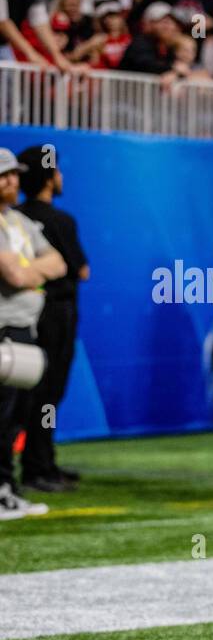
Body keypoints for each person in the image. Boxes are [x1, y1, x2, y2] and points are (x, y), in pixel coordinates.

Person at [17, 144, 87, 493]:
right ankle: (38, 465)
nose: (60, 177)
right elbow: (81, 269)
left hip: (26, 313)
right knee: (49, 392)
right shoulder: (60, 221)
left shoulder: (17, 219)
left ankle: (40, 461)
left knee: (29, 392)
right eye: (56, 171)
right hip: (56, 314)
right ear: (48, 178)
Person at [0, 147, 65, 520]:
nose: (11, 181)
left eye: (14, 175)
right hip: (4, 328)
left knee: (17, 417)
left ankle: (7, 486)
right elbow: (15, 276)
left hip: (26, 328)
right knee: (2, 413)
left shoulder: (20, 223)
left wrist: (29, 270)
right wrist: (32, 271)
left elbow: (59, 263)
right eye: (4, 176)